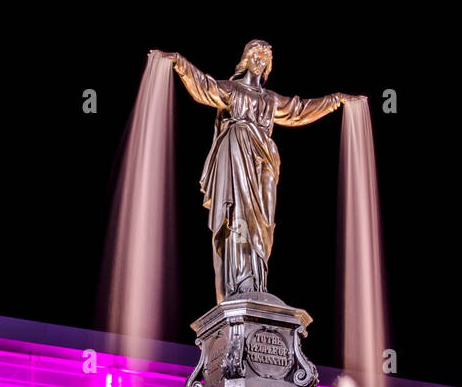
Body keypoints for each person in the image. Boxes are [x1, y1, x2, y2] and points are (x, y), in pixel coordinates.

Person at [151, 42, 356, 301]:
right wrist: (179, 62)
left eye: (266, 57)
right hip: (236, 151)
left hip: (266, 159)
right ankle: (240, 280)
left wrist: (335, 100)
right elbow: (204, 86)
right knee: (238, 213)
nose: (260, 60)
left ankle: (258, 279)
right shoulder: (232, 89)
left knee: (265, 221)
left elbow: (299, 110)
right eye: (256, 55)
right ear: (246, 59)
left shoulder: (270, 99)